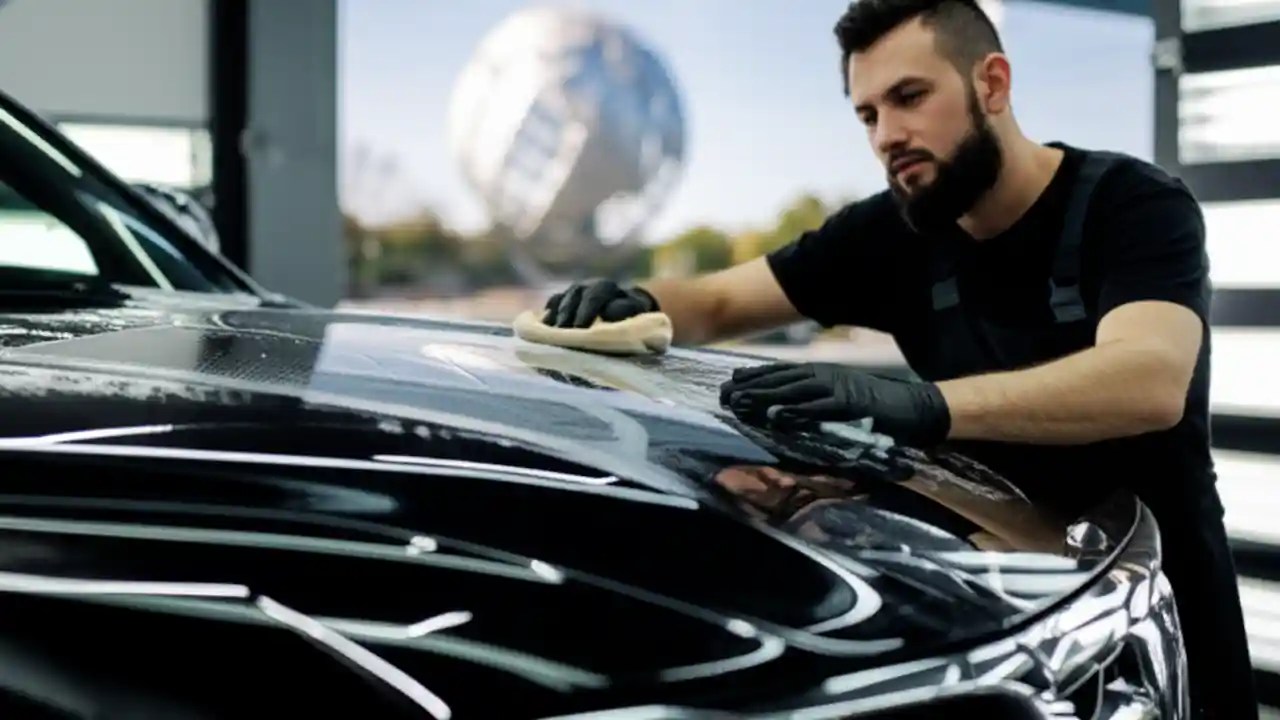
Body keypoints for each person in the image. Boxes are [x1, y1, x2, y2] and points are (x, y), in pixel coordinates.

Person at [540, 0, 1256, 714]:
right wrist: (634, 299)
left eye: (909, 98)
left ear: (993, 84)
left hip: (1155, 596)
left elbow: (1149, 380)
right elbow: (719, 303)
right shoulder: (892, 233)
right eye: (868, 115)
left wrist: (920, 406)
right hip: (1000, 612)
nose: (888, 135)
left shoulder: (1133, 206)